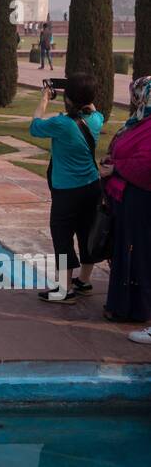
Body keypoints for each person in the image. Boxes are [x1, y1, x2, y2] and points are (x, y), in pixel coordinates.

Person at [30, 73, 104, 303]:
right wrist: (81, 94)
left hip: (67, 191)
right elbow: (92, 107)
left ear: (69, 99)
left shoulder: (61, 124)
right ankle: (84, 280)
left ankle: (64, 288)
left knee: (62, 237)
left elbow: (34, 126)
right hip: (92, 186)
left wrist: (45, 98)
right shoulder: (97, 119)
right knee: (86, 232)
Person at [99, 76, 151, 338]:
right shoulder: (139, 122)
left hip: (140, 202)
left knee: (137, 255)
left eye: (137, 94)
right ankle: (120, 305)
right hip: (127, 198)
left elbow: (146, 166)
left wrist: (117, 167)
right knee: (125, 253)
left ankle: (136, 309)